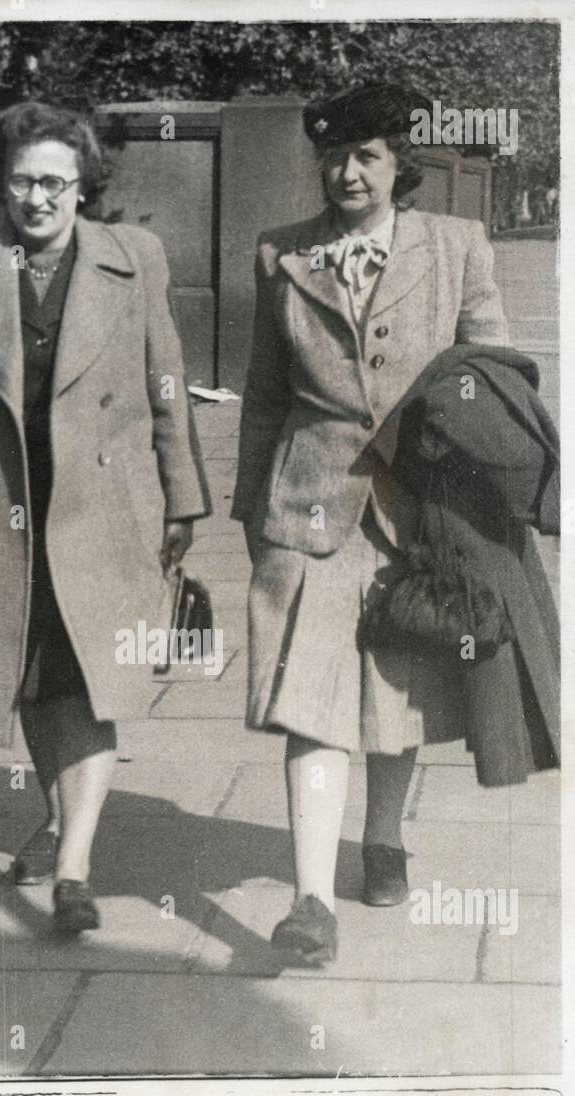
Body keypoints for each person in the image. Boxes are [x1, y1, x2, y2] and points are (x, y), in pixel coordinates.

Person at [0, 100, 211, 934]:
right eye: (21, 181)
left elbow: (167, 384)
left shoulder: (134, 261)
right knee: (27, 681)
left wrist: (184, 496)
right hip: (0, 507)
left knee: (89, 682)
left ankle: (72, 866)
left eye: (54, 181)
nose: (37, 199)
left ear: (82, 185)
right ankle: (62, 818)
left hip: (103, 504)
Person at [231, 82, 509, 963]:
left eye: (368, 158)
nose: (347, 174)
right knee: (310, 700)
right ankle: (311, 903)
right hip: (309, 502)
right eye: (335, 157)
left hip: (417, 505)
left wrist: (466, 462)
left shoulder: (457, 246)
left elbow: (495, 374)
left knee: (396, 696)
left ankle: (382, 839)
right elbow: (264, 399)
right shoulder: (280, 254)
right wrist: (252, 509)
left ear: (399, 166)